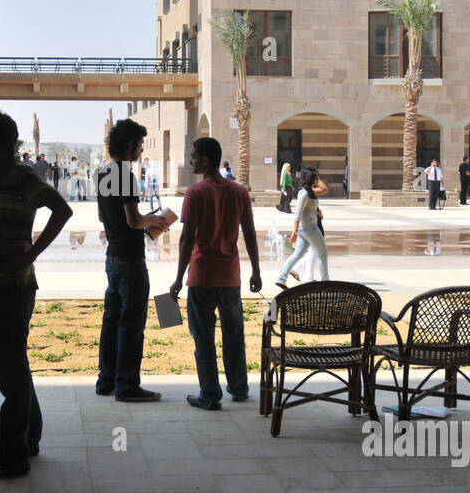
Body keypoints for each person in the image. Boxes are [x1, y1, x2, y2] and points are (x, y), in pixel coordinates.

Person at [0, 111, 73, 478]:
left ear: (3, 143)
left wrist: (31, 253)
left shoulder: (22, 177)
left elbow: (62, 210)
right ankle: (27, 439)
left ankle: (12, 456)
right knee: (15, 366)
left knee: (10, 372)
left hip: (13, 286)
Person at [170, 137, 262, 410]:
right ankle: (239, 388)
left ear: (205, 160)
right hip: (230, 276)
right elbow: (249, 233)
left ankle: (210, 394)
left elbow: (187, 239)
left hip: (201, 276)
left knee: (204, 337)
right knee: (234, 334)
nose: (190, 160)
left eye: (193, 156)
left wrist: (177, 278)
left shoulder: (195, 193)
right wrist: (255, 270)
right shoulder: (239, 192)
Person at [96, 119, 169, 403]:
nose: (141, 150)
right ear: (130, 145)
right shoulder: (125, 176)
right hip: (130, 259)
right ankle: (127, 385)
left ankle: (107, 380)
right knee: (131, 323)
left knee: (111, 320)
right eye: (139, 144)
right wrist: (157, 220)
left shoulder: (103, 174)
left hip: (112, 257)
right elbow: (134, 219)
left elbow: (104, 218)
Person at [276, 166, 329, 288]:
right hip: (309, 228)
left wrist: (316, 211)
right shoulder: (304, 193)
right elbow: (297, 214)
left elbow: (323, 189)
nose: (318, 179)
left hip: (307, 228)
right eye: (316, 176)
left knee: (298, 254)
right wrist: (294, 233)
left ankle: (281, 278)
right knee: (323, 254)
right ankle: (326, 283)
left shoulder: (309, 191)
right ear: (310, 178)